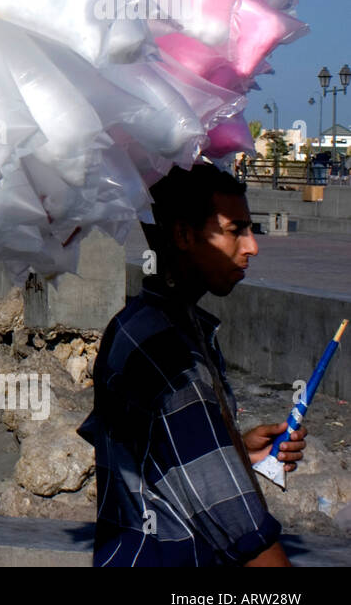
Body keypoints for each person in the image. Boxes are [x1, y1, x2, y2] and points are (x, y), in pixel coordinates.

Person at [78, 164, 303, 567]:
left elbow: (145, 454)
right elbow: (243, 529)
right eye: (236, 230)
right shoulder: (171, 357)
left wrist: (233, 448)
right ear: (183, 235)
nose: (252, 247)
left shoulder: (134, 324)